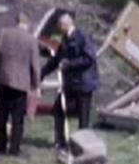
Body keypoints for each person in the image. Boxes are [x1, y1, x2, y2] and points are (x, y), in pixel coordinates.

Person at [0, 13, 42, 155]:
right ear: (28, 24)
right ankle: (15, 149)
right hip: (20, 83)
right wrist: (36, 85)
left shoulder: (3, 33)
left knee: (2, 115)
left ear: (17, 22)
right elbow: (35, 66)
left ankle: (1, 146)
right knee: (17, 118)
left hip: (2, 79)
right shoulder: (31, 40)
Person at [40, 13, 100, 150]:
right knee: (58, 110)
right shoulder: (65, 39)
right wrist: (41, 73)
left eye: (59, 26)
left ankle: (82, 147)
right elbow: (57, 60)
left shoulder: (83, 37)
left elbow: (89, 58)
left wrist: (70, 64)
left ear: (65, 25)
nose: (58, 29)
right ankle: (61, 143)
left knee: (83, 118)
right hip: (70, 84)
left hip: (84, 84)